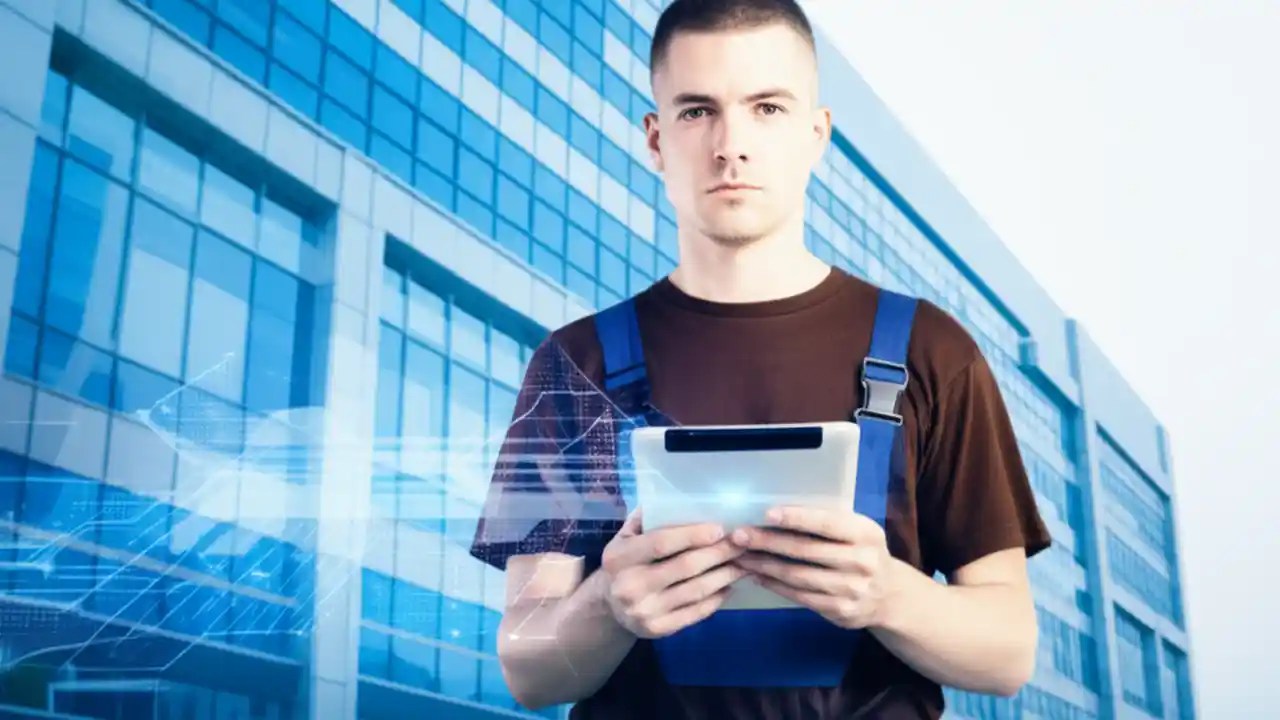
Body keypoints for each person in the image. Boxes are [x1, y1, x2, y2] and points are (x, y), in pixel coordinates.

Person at [468, 0, 1052, 717]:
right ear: (655, 140)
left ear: (816, 133)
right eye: (696, 111)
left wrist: (886, 593)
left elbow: (1008, 651)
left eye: (767, 108)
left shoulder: (932, 351)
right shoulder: (574, 364)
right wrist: (610, 607)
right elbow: (529, 669)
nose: (729, 145)